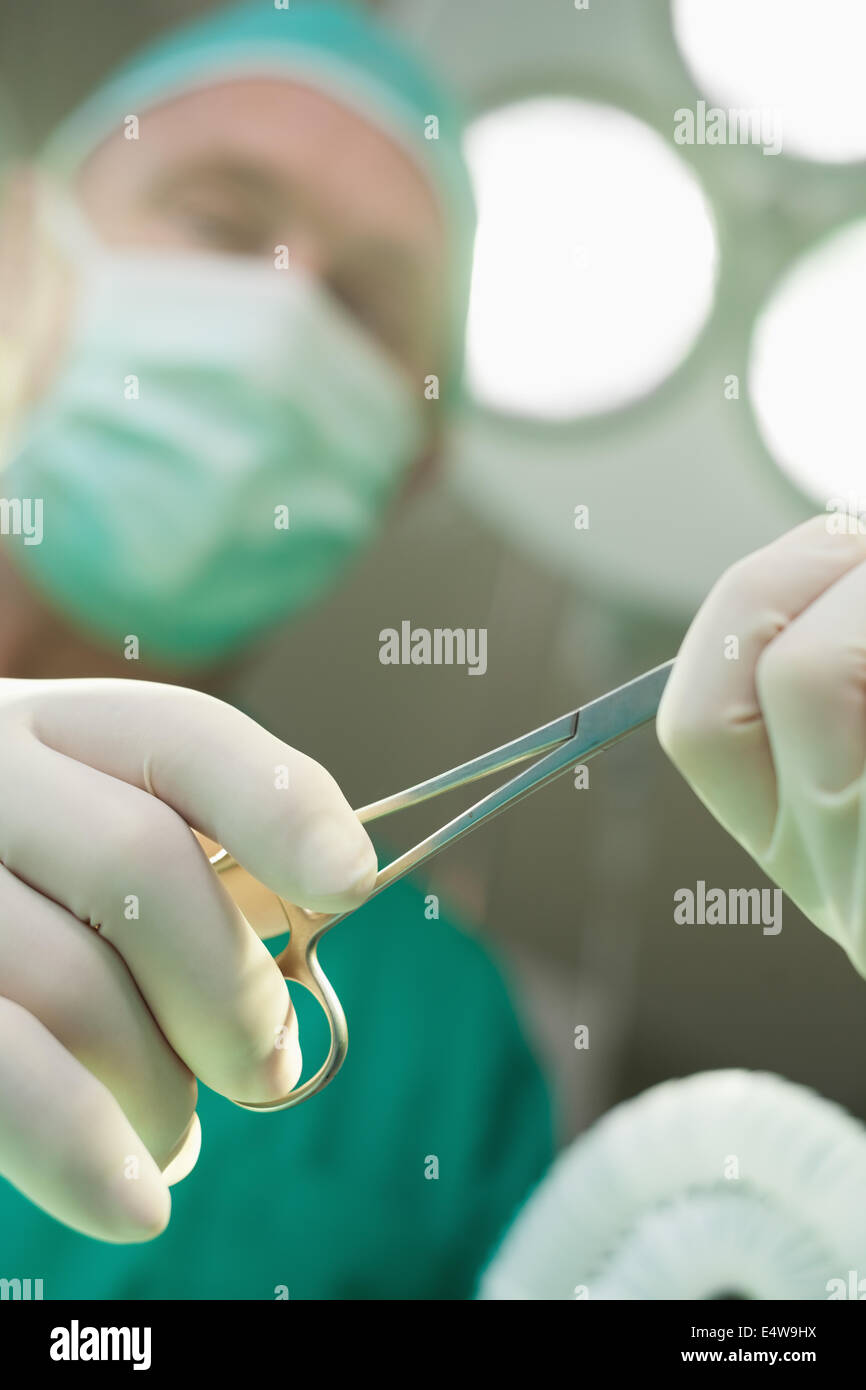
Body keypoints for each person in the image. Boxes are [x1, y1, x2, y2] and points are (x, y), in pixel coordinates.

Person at [0, 2, 553, 1299]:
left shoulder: (440, 1045)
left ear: (403, 471)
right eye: (219, 220)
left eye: (360, 301)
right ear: (18, 245)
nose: (280, 309)